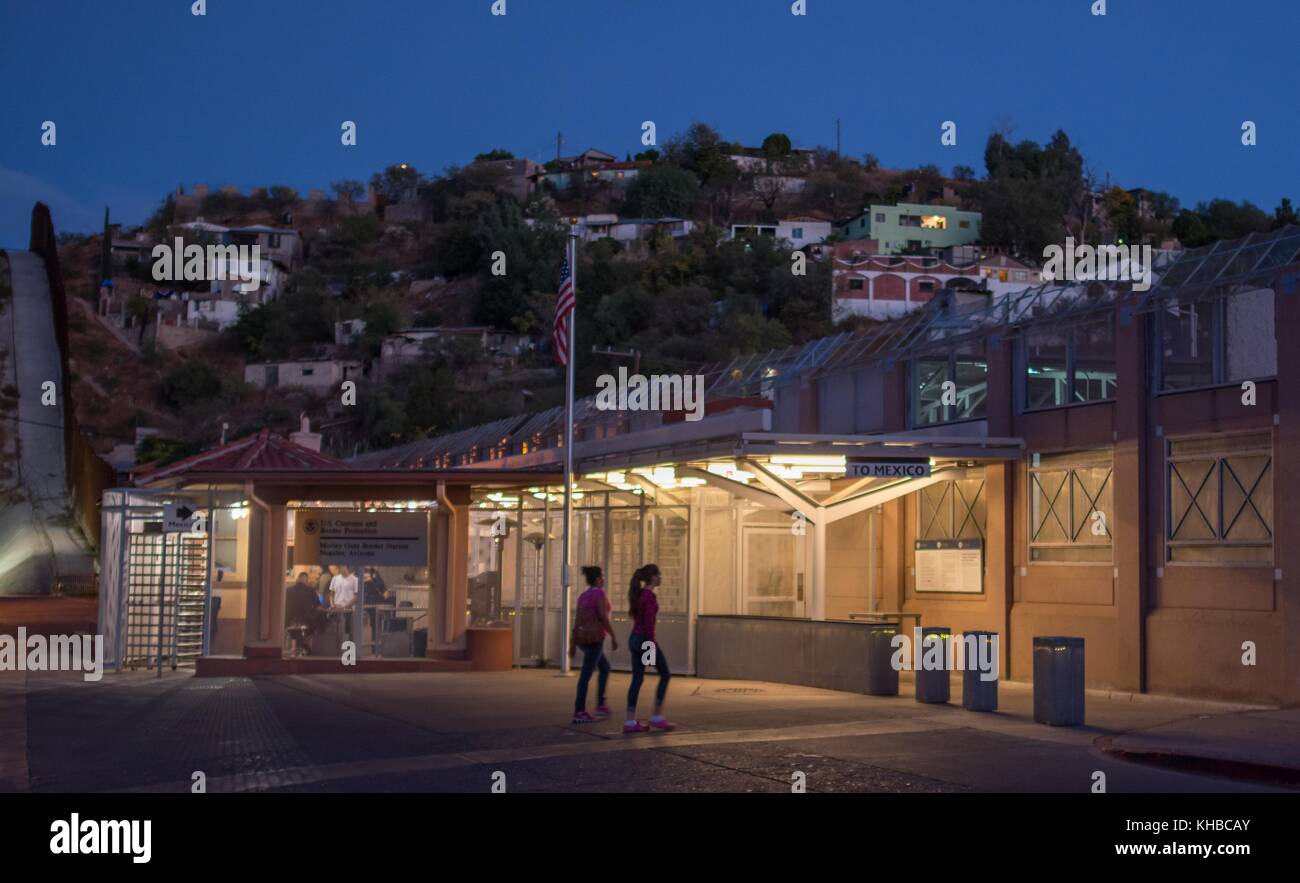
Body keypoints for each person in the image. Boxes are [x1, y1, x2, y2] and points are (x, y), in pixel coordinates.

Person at [624, 563, 672, 733]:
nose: (661, 577)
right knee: (665, 674)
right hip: (645, 640)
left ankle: (630, 722)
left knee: (637, 679)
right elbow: (649, 625)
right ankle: (656, 716)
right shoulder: (650, 597)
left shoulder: (639, 595)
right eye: (658, 575)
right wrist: (651, 648)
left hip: (634, 640)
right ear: (652, 578)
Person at [569, 565, 617, 723]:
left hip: (584, 639)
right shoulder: (599, 593)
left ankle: (600, 704)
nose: (603, 579)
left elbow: (577, 620)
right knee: (585, 675)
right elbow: (603, 617)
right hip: (595, 639)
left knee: (604, 667)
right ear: (597, 579)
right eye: (602, 577)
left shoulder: (583, 596)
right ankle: (580, 711)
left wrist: (573, 643)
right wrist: (613, 635)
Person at [284, 571, 324, 655]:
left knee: (296, 629)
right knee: (319, 623)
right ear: (306, 581)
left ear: (298, 579)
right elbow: (318, 607)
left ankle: (298, 646)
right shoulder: (311, 590)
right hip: (307, 622)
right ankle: (304, 645)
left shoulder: (288, 590)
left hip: (290, 622)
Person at [329, 565, 359, 637]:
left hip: (348, 611)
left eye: (341, 566)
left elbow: (356, 596)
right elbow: (331, 594)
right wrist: (332, 605)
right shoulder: (335, 578)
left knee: (348, 633)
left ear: (346, 566)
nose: (339, 568)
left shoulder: (355, 579)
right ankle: (337, 647)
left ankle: (349, 648)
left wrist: (346, 606)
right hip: (336, 611)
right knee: (336, 633)